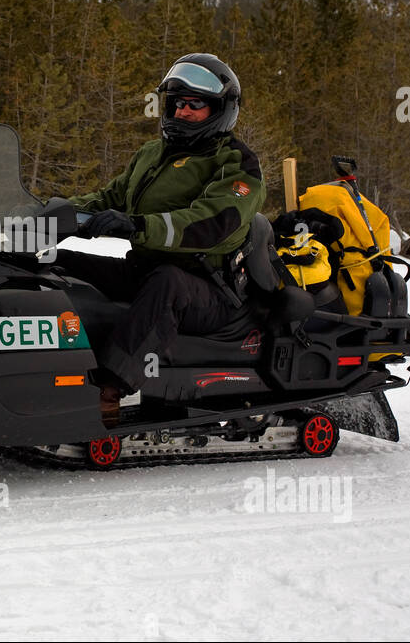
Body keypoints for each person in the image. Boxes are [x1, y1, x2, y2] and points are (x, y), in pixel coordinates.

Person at [59, 53, 267, 425]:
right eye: (177, 103)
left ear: (220, 110)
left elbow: (211, 223)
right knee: (62, 261)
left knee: (167, 283)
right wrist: (52, 213)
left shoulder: (237, 164)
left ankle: (109, 390)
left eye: (195, 105)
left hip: (210, 290)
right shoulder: (153, 154)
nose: (183, 112)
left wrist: (137, 226)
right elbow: (109, 198)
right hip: (144, 269)